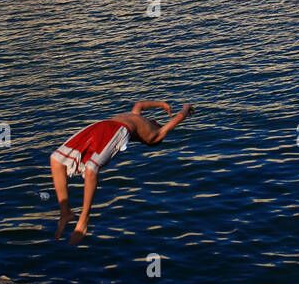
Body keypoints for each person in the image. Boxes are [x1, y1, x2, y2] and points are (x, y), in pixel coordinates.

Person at [50, 101, 194, 244]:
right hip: (101, 125)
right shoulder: (137, 116)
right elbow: (140, 104)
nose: (156, 120)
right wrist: (162, 104)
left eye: (157, 123)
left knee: (91, 168)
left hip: (118, 131)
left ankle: (84, 217)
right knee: (56, 159)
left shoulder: (156, 134)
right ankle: (65, 213)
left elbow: (179, 117)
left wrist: (186, 107)